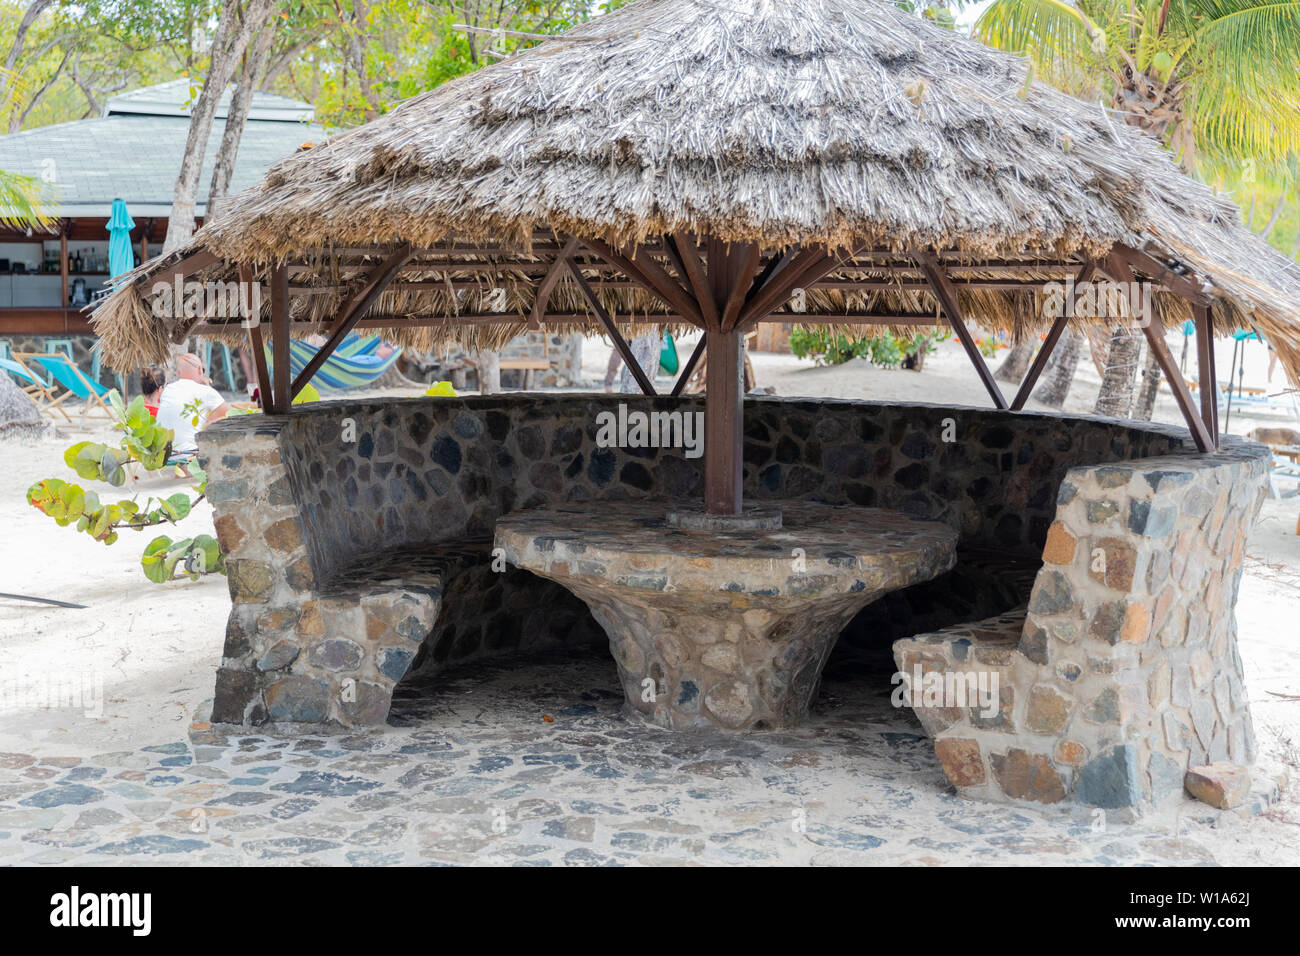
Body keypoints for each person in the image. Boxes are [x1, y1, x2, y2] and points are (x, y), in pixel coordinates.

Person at [156, 352, 231, 455]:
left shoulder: (168, 389)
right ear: (200, 369)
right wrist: (207, 387)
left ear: (179, 373)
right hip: (189, 453)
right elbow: (229, 413)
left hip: (162, 454)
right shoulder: (205, 391)